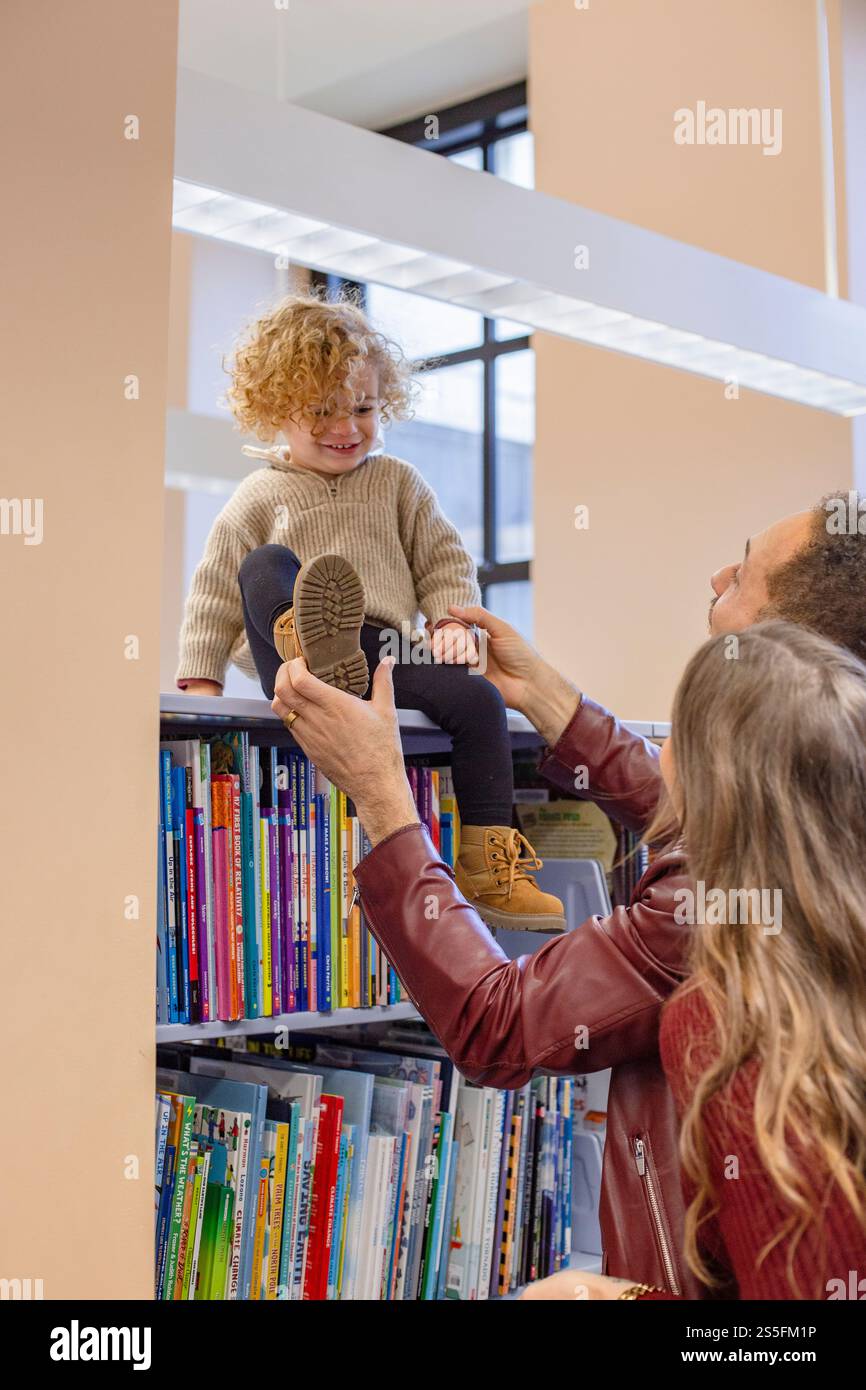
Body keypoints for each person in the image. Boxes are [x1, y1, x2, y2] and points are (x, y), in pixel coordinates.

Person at [270, 491, 866, 1297]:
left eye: (744, 569)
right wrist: (548, 699)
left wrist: (382, 797)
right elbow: (725, 812)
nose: (718, 573)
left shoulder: (716, 945)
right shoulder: (826, 798)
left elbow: (498, 1024)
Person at [175, 291, 563, 931]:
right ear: (275, 410)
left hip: (381, 651)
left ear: (387, 403)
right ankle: (309, 650)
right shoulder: (259, 495)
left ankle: (490, 867)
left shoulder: (400, 484)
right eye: (322, 411)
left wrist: (451, 624)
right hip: (288, 661)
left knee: (479, 701)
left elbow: (443, 561)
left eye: (363, 408)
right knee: (263, 564)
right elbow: (214, 592)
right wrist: (201, 682)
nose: (347, 427)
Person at [520, 622, 866, 1299]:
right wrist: (549, 698)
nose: (657, 753)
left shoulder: (728, 1023)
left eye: (674, 733)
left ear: (708, 789)